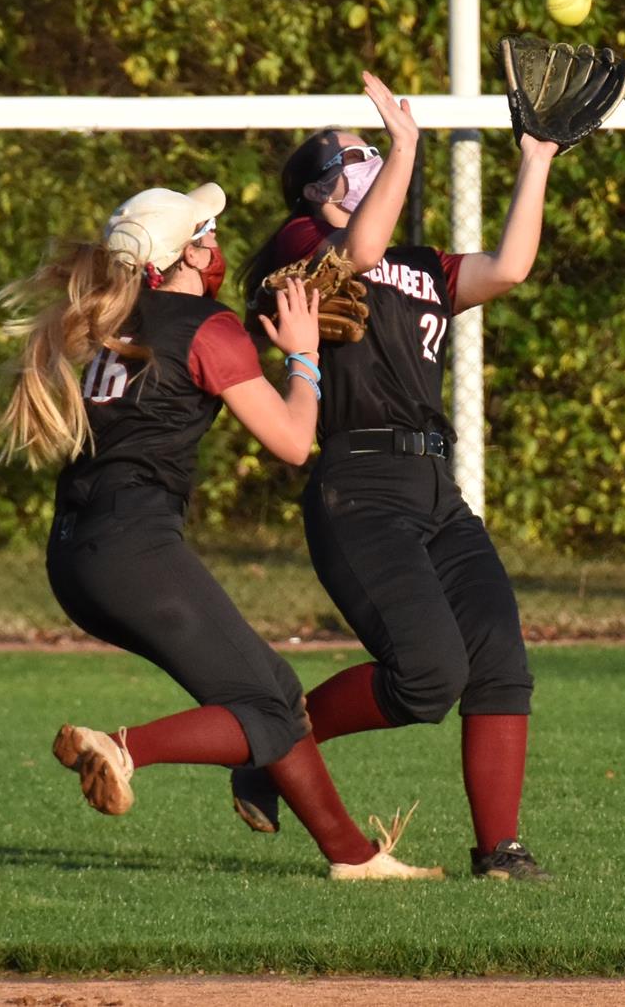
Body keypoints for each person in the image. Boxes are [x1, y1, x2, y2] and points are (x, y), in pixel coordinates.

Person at [0, 175, 440, 881]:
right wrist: (303, 355)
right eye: (208, 235)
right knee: (272, 703)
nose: (218, 244)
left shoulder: (113, 320)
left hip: (76, 557)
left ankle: (354, 857)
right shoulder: (206, 326)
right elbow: (293, 441)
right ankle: (122, 748)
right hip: (134, 551)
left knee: (266, 695)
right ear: (188, 256)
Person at [234, 72, 560, 881]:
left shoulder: (418, 263)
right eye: (356, 155)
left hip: (436, 488)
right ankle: (275, 745)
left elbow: (509, 268)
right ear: (317, 190)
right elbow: (360, 252)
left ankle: (500, 851)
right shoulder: (300, 244)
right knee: (427, 676)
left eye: (377, 150)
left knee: (498, 659)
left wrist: (538, 158)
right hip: (360, 487)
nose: (375, 157)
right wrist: (408, 146)